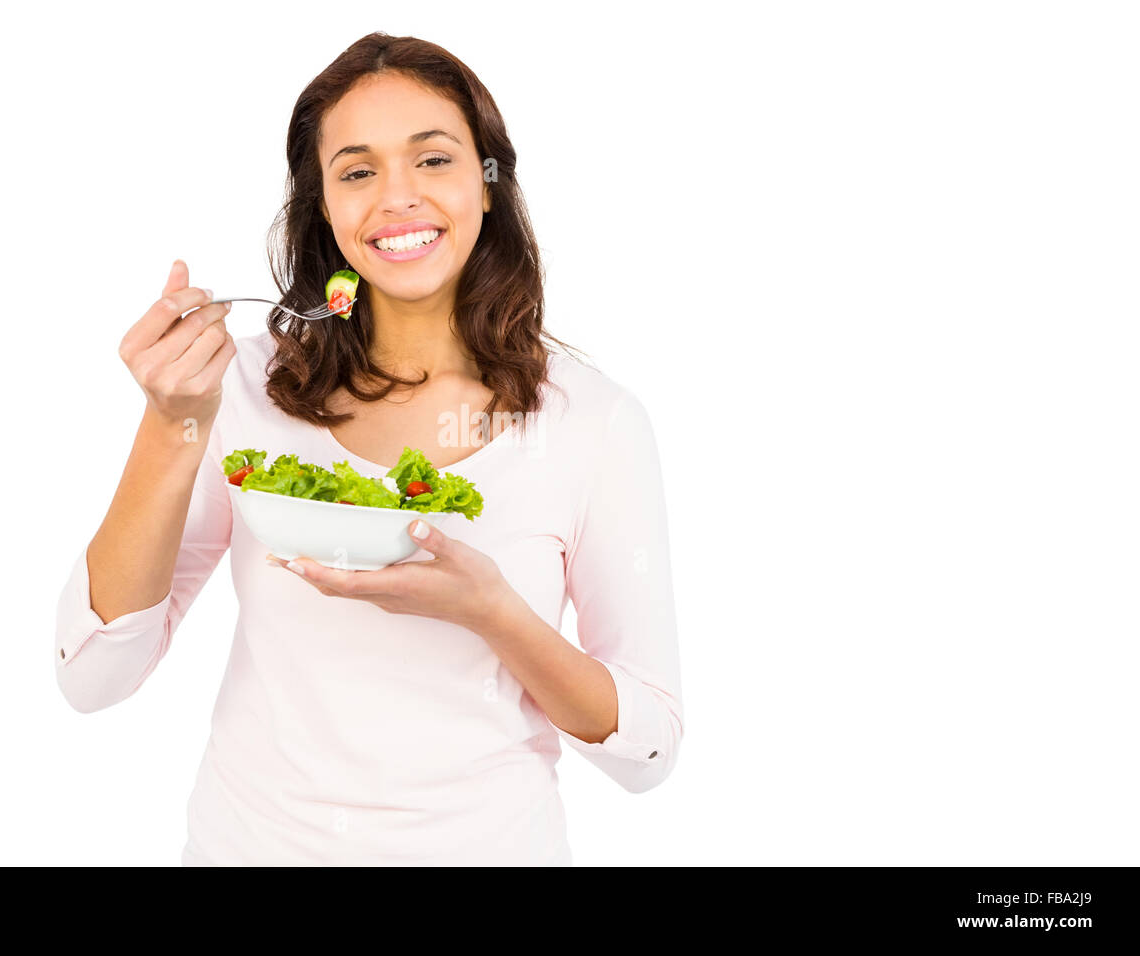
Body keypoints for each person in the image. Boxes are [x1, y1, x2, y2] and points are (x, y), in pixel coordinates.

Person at [54, 32, 683, 866]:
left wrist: (492, 612)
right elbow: (92, 678)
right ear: (322, 207)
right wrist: (174, 421)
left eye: (433, 159)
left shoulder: (592, 423)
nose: (398, 198)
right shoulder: (234, 388)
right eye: (356, 171)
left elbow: (649, 747)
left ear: (488, 185)